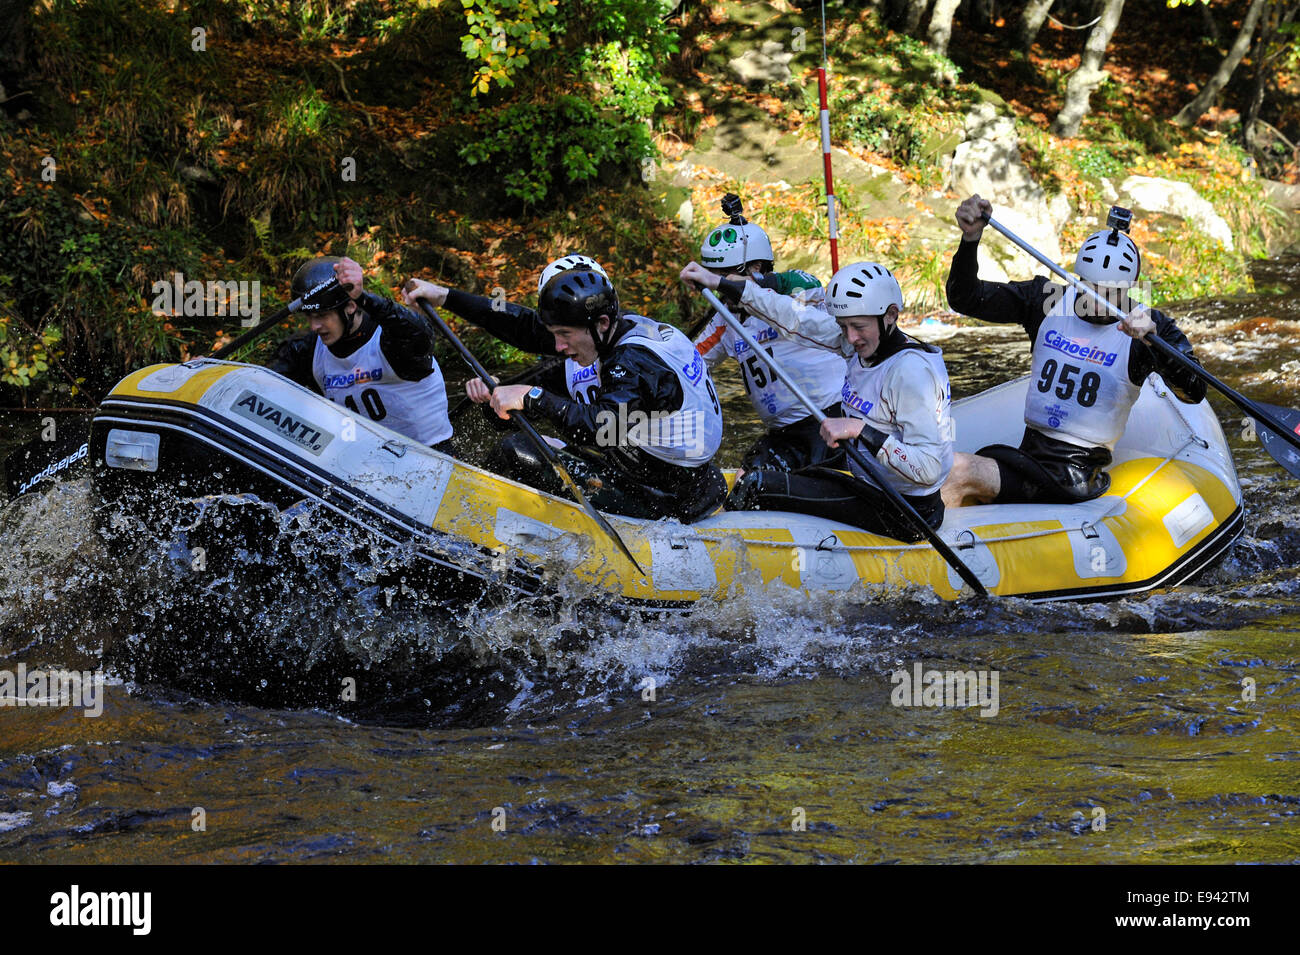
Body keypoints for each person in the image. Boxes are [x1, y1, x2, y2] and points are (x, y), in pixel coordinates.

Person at [403, 266, 727, 523]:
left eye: (563, 335)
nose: (557, 347)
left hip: (664, 493)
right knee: (542, 443)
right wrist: (446, 297)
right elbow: (524, 325)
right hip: (660, 470)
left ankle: (459, 522)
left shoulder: (632, 363)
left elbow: (603, 430)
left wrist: (532, 397)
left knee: (517, 451)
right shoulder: (615, 329)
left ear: (600, 323)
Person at [940, 194, 1206, 507]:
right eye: (1089, 286)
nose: (1096, 299)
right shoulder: (1047, 299)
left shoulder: (1149, 326)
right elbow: (965, 299)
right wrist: (970, 239)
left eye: (1110, 292)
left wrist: (1155, 345)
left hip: (1075, 475)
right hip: (1029, 455)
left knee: (959, 469)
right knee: (943, 467)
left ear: (1129, 286)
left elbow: (1194, 391)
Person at [722, 261, 955, 541]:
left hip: (906, 512)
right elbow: (795, 319)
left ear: (891, 315)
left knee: (757, 485)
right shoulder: (866, 344)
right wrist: (728, 287)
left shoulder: (911, 374)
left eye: (858, 327)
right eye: (843, 327)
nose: (850, 337)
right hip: (871, 487)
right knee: (764, 475)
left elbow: (930, 469)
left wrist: (861, 430)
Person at [684, 212, 847, 474]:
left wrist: (746, 287)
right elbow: (688, 360)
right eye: (713, 277)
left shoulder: (793, 290)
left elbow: (809, 286)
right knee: (747, 481)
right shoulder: (724, 321)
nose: (719, 287)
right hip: (783, 433)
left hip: (833, 417)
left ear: (756, 268)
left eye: (724, 276)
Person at [267, 255, 453, 453]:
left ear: (350, 306)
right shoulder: (307, 349)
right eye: (309, 317)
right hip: (360, 463)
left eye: (322, 316)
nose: (314, 326)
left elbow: (419, 331)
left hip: (429, 456)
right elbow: (266, 387)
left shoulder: (394, 341)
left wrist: (363, 297)